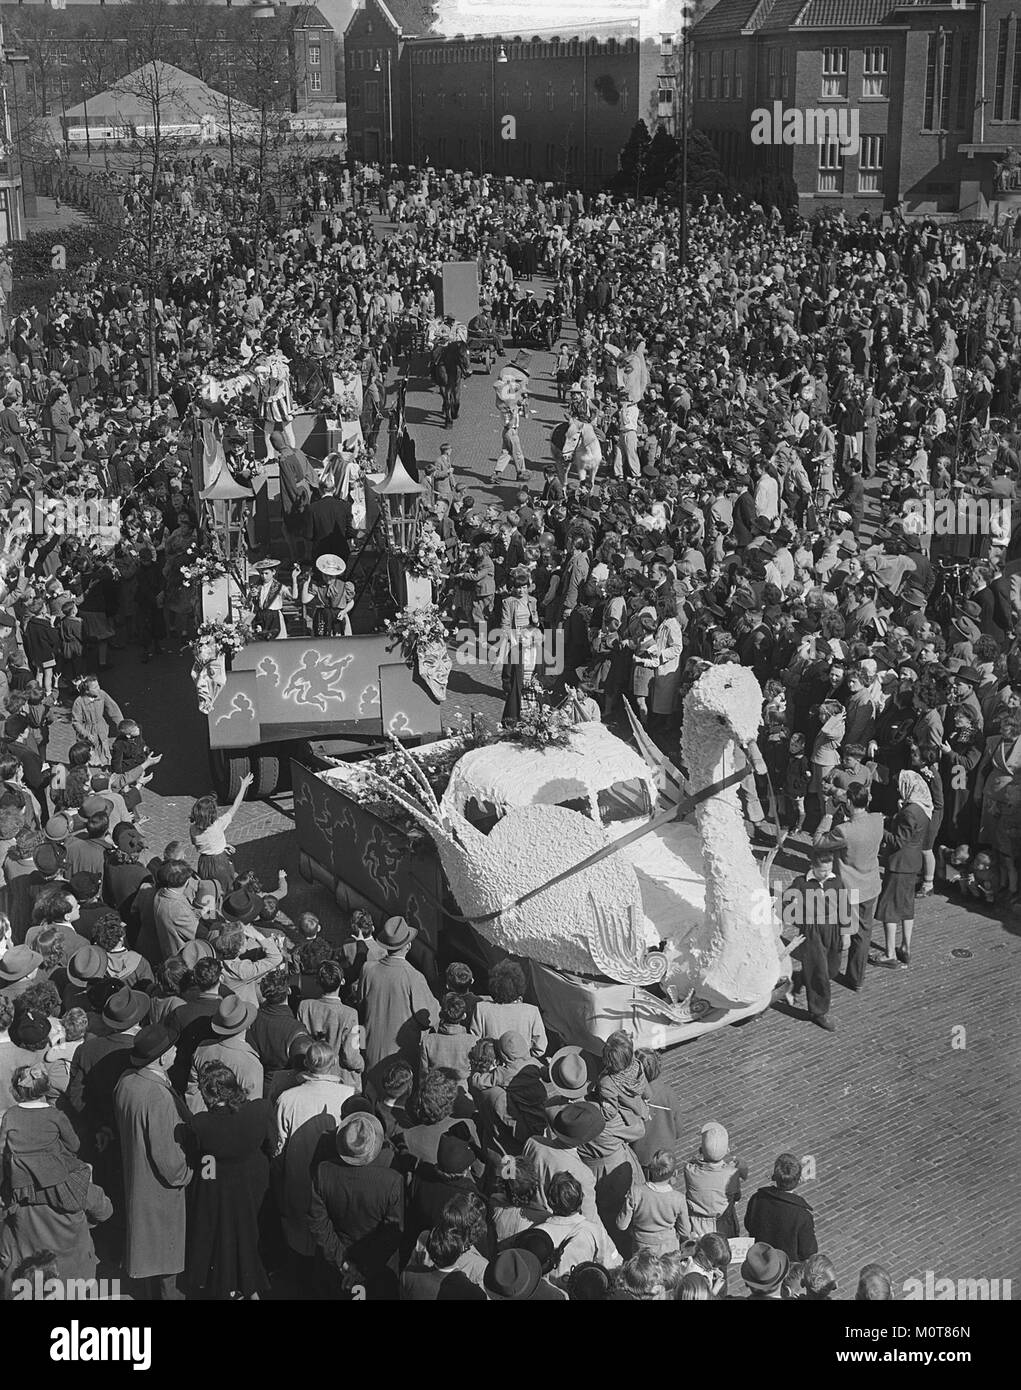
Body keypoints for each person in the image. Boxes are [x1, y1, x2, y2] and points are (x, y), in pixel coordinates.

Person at [113, 1024, 193, 1299]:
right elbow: (168, 1159)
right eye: (174, 1049)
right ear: (162, 1058)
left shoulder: (126, 1080)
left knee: (147, 1257)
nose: (178, 1051)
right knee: (167, 1260)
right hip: (160, 1191)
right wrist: (187, 1173)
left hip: (137, 1180)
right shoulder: (157, 1095)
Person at [186, 1060, 272, 1301]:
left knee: (223, 1241)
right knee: (247, 1237)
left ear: (209, 1094)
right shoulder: (259, 1110)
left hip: (219, 1191)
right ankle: (250, 1285)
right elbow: (271, 1145)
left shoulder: (201, 1124)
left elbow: (197, 1155)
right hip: (252, 1185)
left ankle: (232, 1288)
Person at [307, 1112, 403, 1299]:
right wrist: (363, 1269)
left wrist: (343, 1262)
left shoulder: (323, 1172)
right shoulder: (391, 1181)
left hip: (335, 1263)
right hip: (377, 1266)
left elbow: (318, 1224)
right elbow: (392, 1234)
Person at [814, 783, 885, 992]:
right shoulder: (878, 820)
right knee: (863, 935)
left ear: (851, 803)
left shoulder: (844, 831)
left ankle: (829, 970)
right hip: (871, 886)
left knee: (841, 932)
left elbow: (818, 841)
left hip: (849, 889)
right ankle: (856, 979)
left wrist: (828, 815)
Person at [354, 915, 437, 1072]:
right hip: (402, 1061)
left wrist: (361, 1047)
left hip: (371, 1052)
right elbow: (429, 1019)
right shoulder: (414, 977)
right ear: (408, 945)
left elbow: (361, 1009)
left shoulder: (367, 969)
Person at [783, 846, 849, 1032]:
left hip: (833, 928)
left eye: (829, 869)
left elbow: (845, 906)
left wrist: (847, 934)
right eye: (822, 870)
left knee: (832, 969)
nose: (826, 873)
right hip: (812, 932)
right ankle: (818, 1012)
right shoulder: (801, 883)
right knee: (819, 972)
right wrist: (800, 918)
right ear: (813, 866)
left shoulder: (836, 882)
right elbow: (785, 902)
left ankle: (802, 977)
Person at [876, 768, 932, 968]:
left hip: (899, 863)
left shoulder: (909, 812)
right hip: (913, 862)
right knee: (907, 907)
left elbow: (898, 841)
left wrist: (880, 828)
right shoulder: (923, 808)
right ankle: (906, 946)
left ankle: (890, 953)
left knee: (889, 909)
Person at [744, 1153, 818, 1263]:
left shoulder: (757, 1199)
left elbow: (749, 1225)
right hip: (788, 1269)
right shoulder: (802, 1216)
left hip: (763, 1262)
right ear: (798, 1180)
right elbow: (807, 1251)